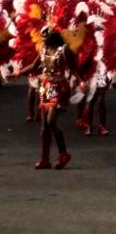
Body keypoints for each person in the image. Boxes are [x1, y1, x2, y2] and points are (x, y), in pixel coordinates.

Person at [15, 28, 76, 169]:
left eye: (45, 37)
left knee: (51, 121)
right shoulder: (43, 49)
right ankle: (45, 159)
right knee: (44, 125)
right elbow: (34, 66)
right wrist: (18, 73)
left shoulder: (64, 50)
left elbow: (73, 68)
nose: (42, 40)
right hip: (45, 87)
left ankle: (64, 154)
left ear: (52, 37)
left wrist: (81, 82)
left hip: (59, 88)